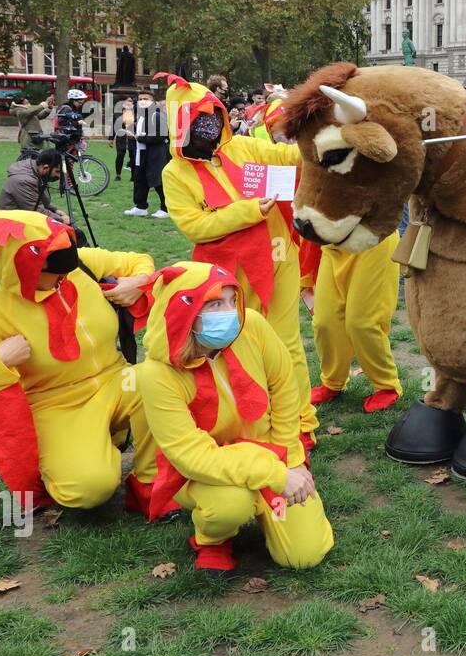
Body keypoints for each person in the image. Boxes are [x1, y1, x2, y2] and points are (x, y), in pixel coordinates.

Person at [0, 210, 163, 510]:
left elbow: (138, 259)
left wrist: (138, 281)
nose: (63, 278)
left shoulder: (78, 267)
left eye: (66, 270)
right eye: (53, 272)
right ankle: (82, 451)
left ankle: (148, 483)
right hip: (55, 405)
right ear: (18, 269)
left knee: (159, 382)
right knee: (89, 489)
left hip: (116, 379)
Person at [135, 262, 334, 572]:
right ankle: (212, 538)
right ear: (183, 312)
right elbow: (192, 455)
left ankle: (263, 505)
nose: (231, 312)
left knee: (303, 555)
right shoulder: (156, 374)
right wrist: (276, 476)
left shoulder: (251, 325)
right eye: (215, 304)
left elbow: (284, 386)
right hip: (210, 471)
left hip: (272, 456)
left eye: (232, 300)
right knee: (229, 506)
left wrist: (291, 458)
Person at [157, 73, 318, 446]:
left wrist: (322, 133)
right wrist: (249, 211)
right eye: (200, 119)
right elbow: (195, 226)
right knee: (237, 343)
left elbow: (288, 156)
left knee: (286, 343)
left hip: (278, 258)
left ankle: (298, 421)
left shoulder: (242, 147)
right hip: (226, 275)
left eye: (216, 115)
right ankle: (249, 416)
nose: (211, 126)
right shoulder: (174, 174)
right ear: (180, 124)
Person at [308, 232, 403, 414]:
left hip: (374, 236)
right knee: (325, 321)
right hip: (334, 242)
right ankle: (332, 382)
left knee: (362, 322)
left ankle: (386, 385)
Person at [125, 90, 169, 218]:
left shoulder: (157, 114)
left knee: (158, 181)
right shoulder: (141, 115)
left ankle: (166, 208)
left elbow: (160, 135)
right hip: (141, 153)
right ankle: (140, 206)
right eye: (140, 99)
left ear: (152, 101)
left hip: (156, 154)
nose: (142, 101)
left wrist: (139, 137)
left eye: (146, 98)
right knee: (139, 179)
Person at [0, 148, 69, 223]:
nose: (58, 176)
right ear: (45, 167)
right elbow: (36, 210)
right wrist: (60, 219)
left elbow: (36, 200)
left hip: (24, 217)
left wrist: (55, 210)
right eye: (57, 171)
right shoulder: (24, 181)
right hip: (13, 223)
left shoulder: (35, 171)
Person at [113, 99, 136, 182]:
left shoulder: (136, 115)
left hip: (132, 139)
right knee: (120, 156)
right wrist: (110, 139)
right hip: (121, 139)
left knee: (133, 157)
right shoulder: (118, 115)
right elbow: (114, 127)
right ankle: (118, 175)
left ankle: (133, 176)